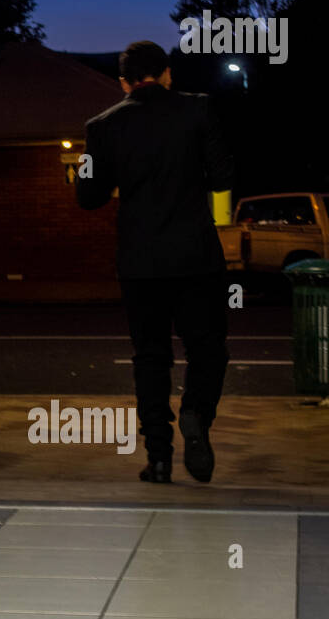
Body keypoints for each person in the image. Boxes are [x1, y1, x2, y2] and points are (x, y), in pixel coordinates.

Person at [76, 40, 235, 484]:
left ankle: (159, 458)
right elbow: (223, 177)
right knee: (207, 348)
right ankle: (197, 415)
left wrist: (99, 170)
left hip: (140, 260)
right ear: (168, 73)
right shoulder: (199, 110)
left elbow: (87, 196)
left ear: (124, 82)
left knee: (150, 357)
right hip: (197, 256)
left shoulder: (101, 126)